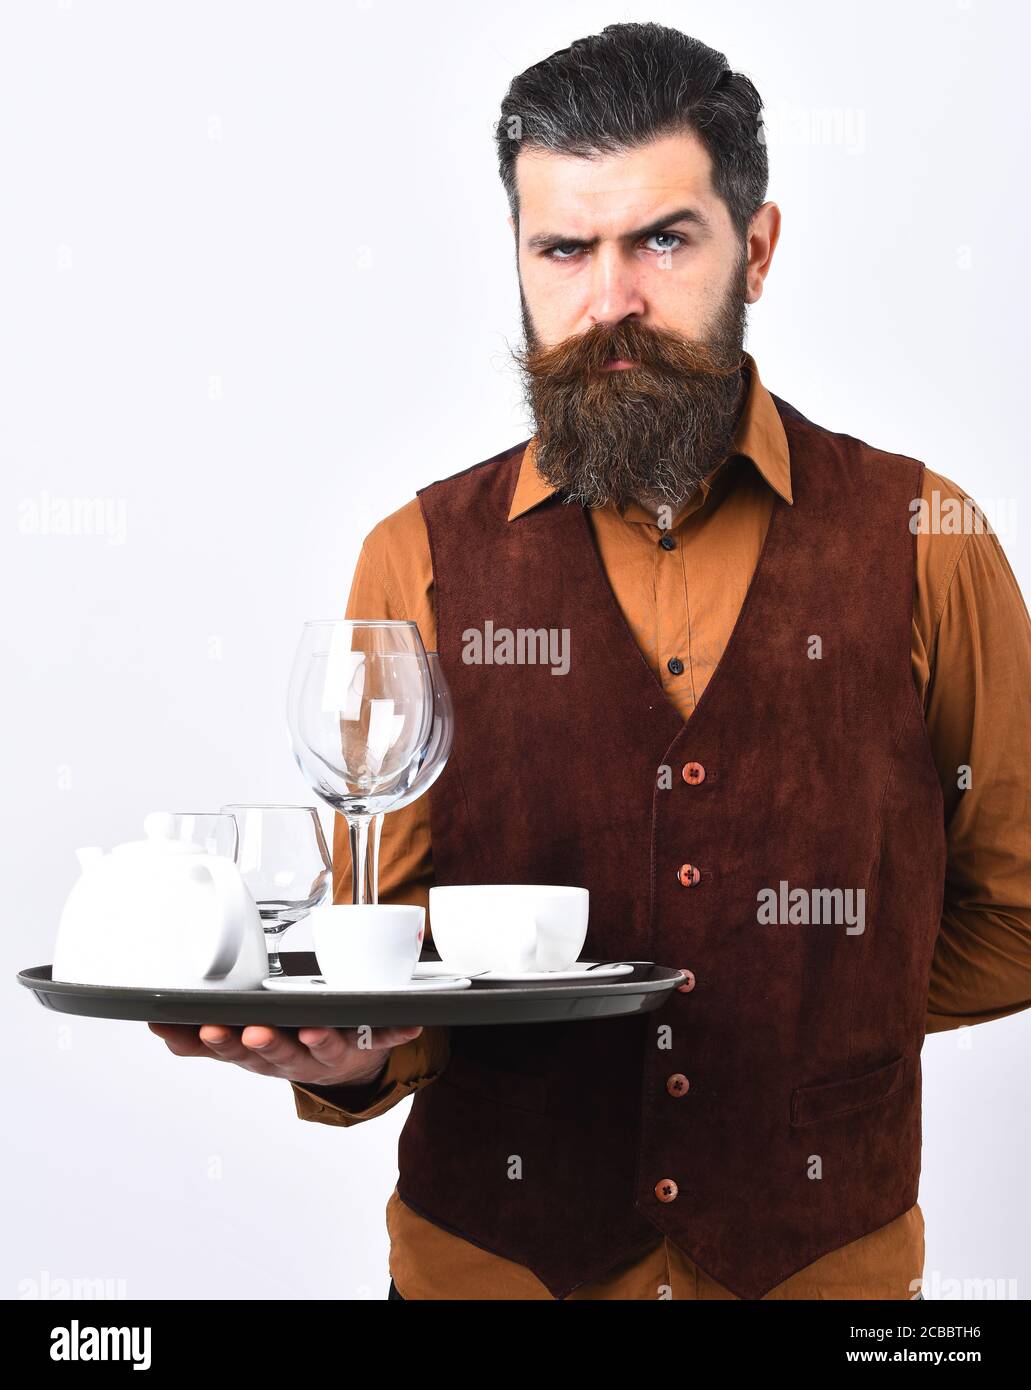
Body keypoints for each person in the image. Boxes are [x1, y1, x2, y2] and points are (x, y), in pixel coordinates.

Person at [150, 21, 1031, 1301]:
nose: (607, 299)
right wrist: (346, 1059)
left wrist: (819, 1004)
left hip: (823, 1282)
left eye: (661, 240)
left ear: (758, 248)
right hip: (487, 1273)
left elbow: (1016, 909)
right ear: (518, 257)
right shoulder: (417, 558)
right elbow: (381, 944)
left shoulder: (925, 538)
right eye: (561, 248)